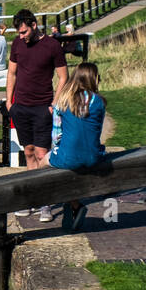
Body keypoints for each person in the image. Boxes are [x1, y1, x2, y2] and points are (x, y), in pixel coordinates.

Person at [5, 9, 68, 223]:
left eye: (23, 31)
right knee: (29, 153)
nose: (21, 36)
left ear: (33, 25)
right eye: (19, 33)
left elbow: (63, 77)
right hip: (21, 107)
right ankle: (31, 200)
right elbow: (11, 72)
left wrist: (53, 104)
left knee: (43, 155)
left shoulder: (52, 46)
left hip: (43, 107)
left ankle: (45, 203)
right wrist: (9, 101)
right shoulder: (17, 44)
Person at [48, 61, 106, 232]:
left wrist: (58, 149)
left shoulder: (63, 100)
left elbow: (56, 135)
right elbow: (96, 131)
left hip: (69, 157)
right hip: (93, 155)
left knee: (43, 162)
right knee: (74, 163)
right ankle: (73, 205)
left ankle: (56, 204)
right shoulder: (99, 102)